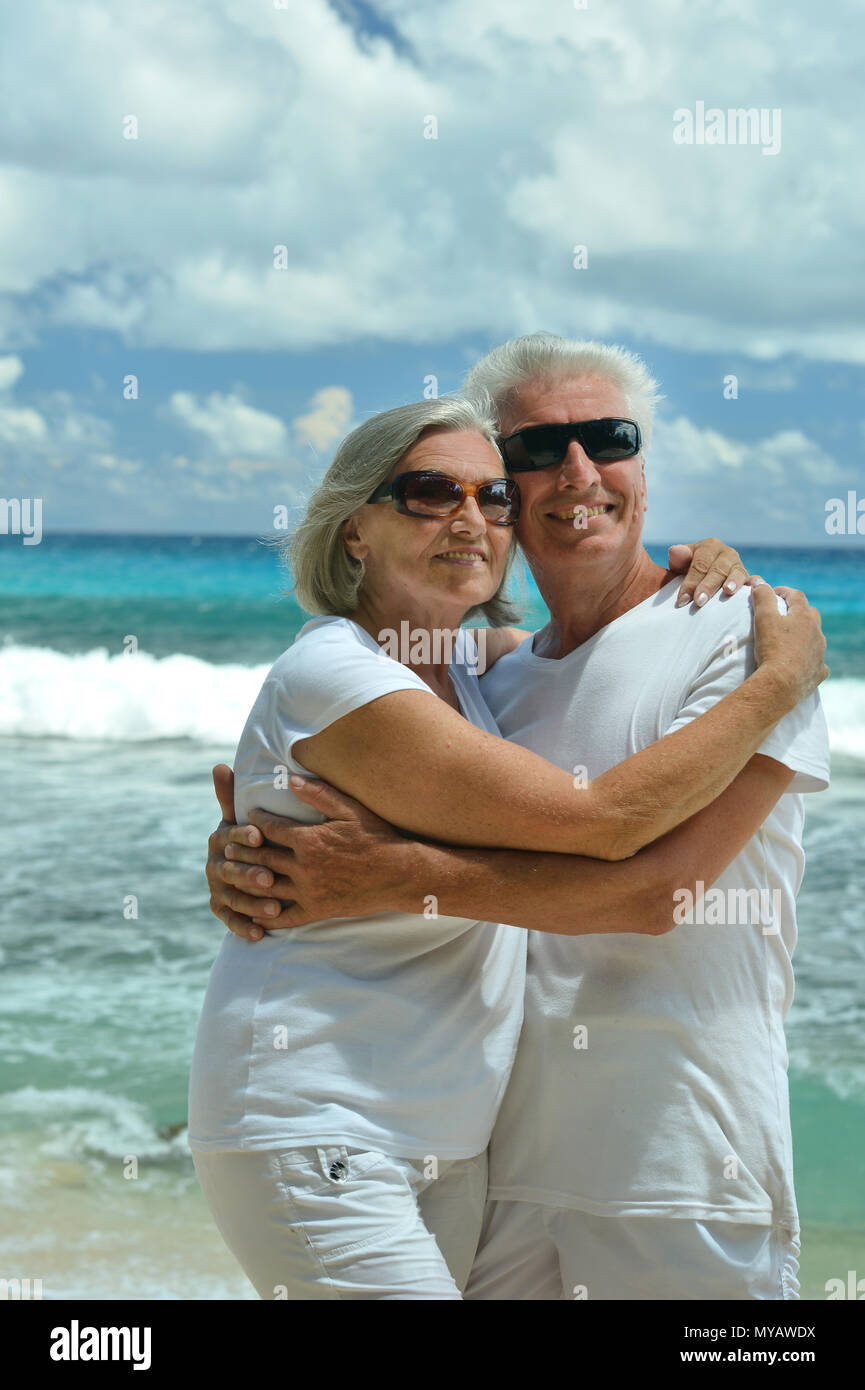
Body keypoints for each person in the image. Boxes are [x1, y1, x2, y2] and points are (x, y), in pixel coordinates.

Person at [207, 336, 830, 1301]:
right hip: (500, 1167)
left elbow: (658, 892)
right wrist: (248, 841)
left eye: (607, 439)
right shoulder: (488, 676)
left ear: (643, 471)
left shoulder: (735, 635)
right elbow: (568, 812)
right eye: (534, 454)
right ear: (354, 530)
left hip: (681, 1168)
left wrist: (389, 872)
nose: (576, 471)